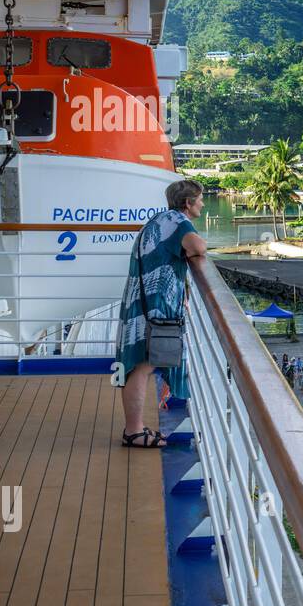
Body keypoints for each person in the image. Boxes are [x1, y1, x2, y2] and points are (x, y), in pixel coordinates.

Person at [116, 179, 207, 447]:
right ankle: (133, 431)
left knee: (142, 365)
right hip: (154, 306)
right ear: (188, 203)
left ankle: (135, 428)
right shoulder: (178, 222)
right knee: (143, 366)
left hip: (142, 301)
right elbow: (197, 247)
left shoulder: (160, 219)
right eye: (199, 199)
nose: (202, 203)